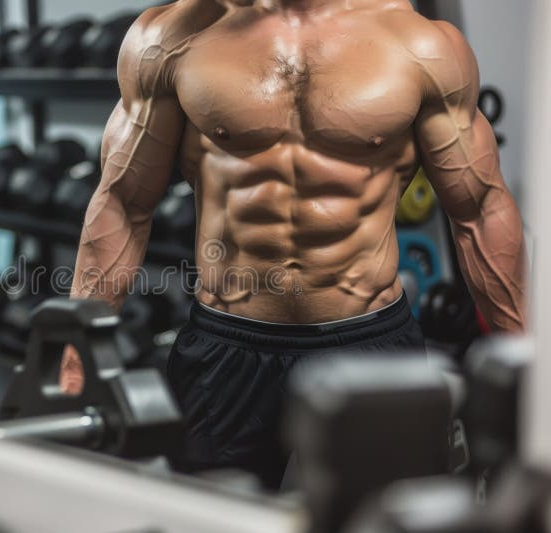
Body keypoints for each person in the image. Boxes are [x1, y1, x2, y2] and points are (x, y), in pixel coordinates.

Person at [62, 0, 527, 489]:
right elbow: (123, 204)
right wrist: (76, 350)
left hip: (369, 342)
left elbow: (479, 212)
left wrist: (526, 364)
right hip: (225, 349)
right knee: (210, 517)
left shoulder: (420, 44)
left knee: (385, 518)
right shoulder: (170, 38)